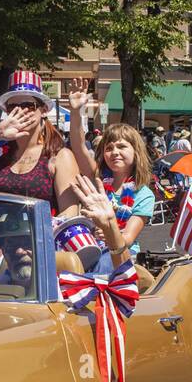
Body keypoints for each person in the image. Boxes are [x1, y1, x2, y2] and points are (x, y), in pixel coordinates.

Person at [0, 70, 80, 213]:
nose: (20, 111)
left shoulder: (60, 156)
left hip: (41, 234)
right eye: (12, 107)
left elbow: (70, 213)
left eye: (28, 105)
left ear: (44, 110)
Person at [65, 79, 155, 254]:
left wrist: (108, 231)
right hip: (89, 252)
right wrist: (76, 112)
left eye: (121, 147)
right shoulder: (96, 177)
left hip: (122, 259)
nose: (114, 152)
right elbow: (78, 146)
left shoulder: (144, 195)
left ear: (136, 152)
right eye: (109, 148)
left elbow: (127, 239)